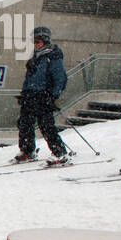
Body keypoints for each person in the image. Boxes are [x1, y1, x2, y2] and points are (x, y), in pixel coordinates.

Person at [14, 26, 70, 164]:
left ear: (45, 40)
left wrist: (53, 96)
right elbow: (29, 78)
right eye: (34, 41)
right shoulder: (35, 56)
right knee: (24, 123)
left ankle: (59, 152)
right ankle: (27, 150)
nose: (36, 43)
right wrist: (25, 92)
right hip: (30, 95)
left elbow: (60, 77)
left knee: (46, 125)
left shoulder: (53, 55)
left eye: (38, 41)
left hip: (43, 95)